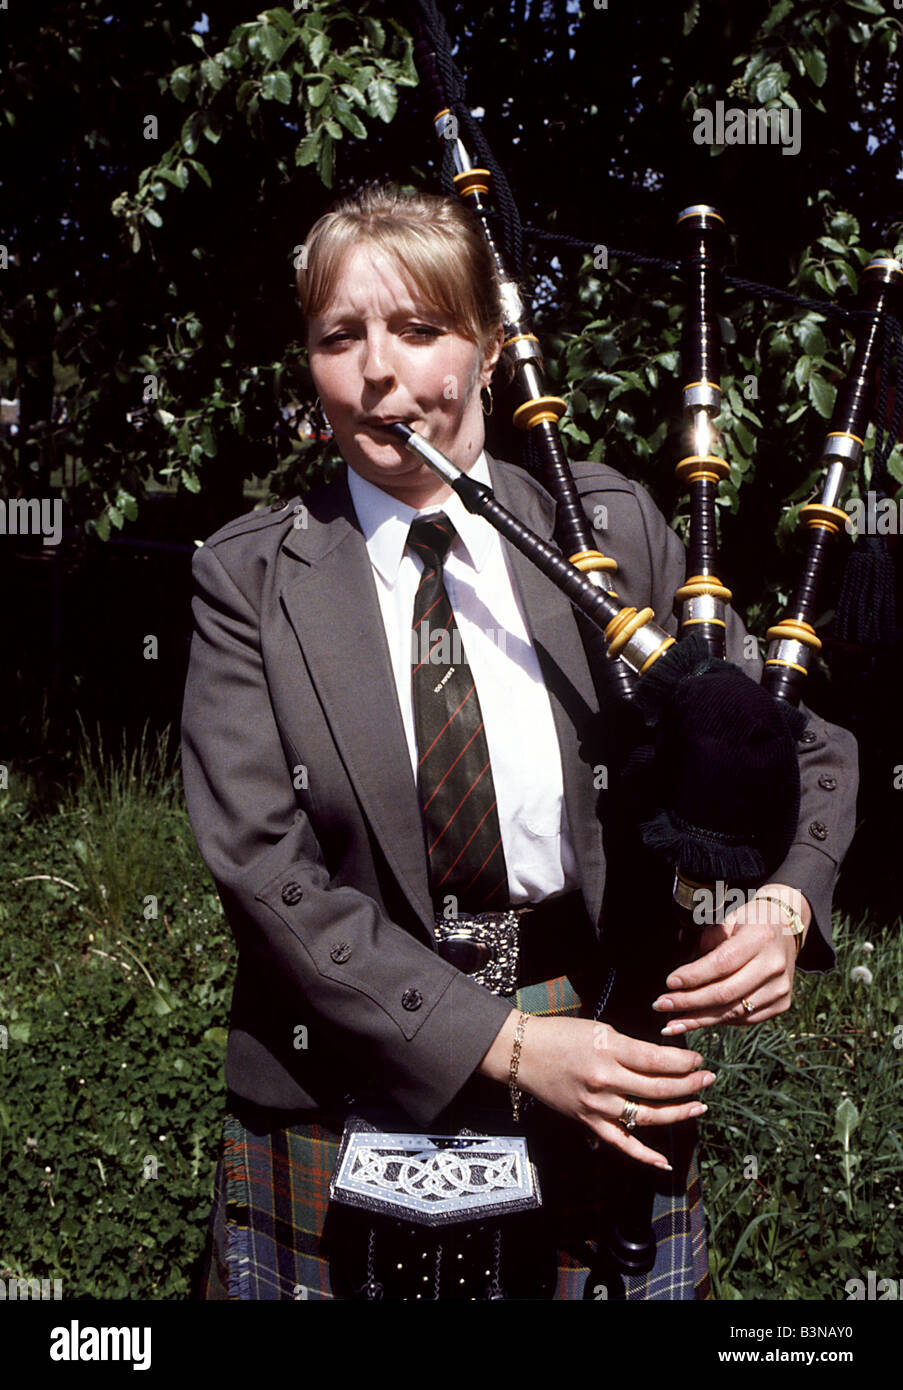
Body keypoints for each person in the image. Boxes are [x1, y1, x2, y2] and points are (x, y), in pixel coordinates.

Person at [181, 183, 858, 1301]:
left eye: (420, 328)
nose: (378, 372)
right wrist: (507, 1047)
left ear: (490, 348)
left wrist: (783, 903)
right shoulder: (250, 576)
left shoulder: (606, 534)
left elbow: (795, 746)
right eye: (340, 336)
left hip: (601, 1046)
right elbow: (267, 877)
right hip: (338, 1075)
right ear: (310, 364)